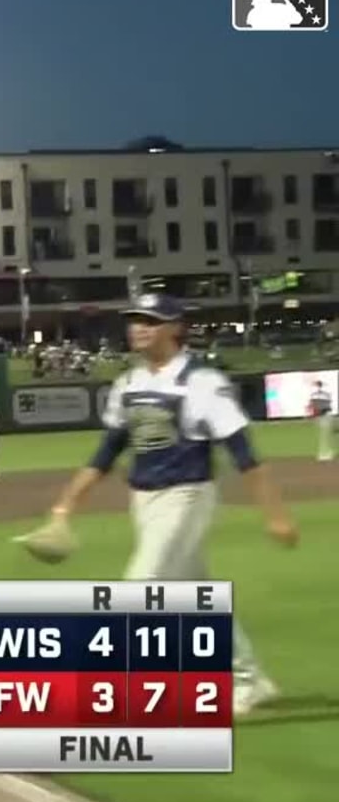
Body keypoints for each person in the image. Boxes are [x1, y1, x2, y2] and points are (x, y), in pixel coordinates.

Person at [41, 293, 297, 716]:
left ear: (176, 328)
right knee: (195, 598)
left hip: (187, 496)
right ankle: (250, 680)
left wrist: (276, 515)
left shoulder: (203, 383)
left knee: (139, 587)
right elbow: (106, 454)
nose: (139, 328)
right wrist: (64, 507)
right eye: (135, 320)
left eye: (151, 321)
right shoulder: (128, 384)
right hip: (143, 501)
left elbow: (245, 455)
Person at [307, 379, 334, 461]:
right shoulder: (314, 395)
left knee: (325, 435)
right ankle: (323, 453)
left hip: (325, 416)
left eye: (318, 385)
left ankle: (326, 453)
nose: (318, 387)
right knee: (322, 435)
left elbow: (328, 407)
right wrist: (312, 413)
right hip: (320, 416)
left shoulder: (325, 394)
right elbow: (311, 406)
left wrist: (317, 412)